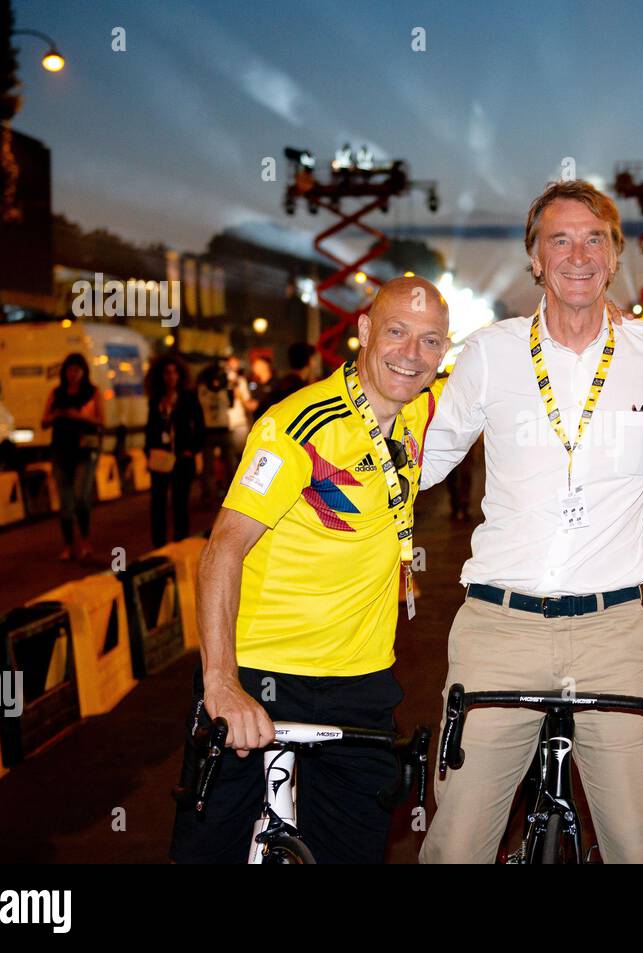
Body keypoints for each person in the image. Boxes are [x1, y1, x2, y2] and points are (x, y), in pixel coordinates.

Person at [417, 180, 643, 864]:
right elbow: (425, 462)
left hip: (614, 632)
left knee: (641, 850)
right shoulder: (489, 353)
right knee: (455, 846)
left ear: (614, 257)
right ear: (534, 258)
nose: (577, 254)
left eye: (594, 239)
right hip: (500, 626)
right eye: (559, 239)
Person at [169, 278, 449, 863]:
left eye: (430, 341)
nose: (411, 354)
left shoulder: (423, 405)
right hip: (260, 671)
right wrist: (221, 684)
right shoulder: (297, 425)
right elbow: (222, 548)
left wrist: (596, 311)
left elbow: (515, 348)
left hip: (361, 680)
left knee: (356, 850)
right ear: (365, 332)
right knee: (208, 850)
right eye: (396, 332)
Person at [41, 352, 102, 562]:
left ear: (83, 372)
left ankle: (85, 541)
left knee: (80, 497)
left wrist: (80, 416)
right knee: (65, 502)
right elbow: (44, 421)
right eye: (69, 369)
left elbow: (102, 421)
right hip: (61, 451)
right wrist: (57, 414)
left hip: (85, 451)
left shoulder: (92, 393)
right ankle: (68, 545)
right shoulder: (56, 393)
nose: (72, 374)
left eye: (77, 370)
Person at [146, 354, 205, 548]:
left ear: (180, 376)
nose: (170, 377)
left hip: (182, 457)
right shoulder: (155, 399)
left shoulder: (188, 398)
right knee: (157, 503)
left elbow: (200, 427)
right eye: (166, 373)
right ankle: (159, 546)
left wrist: (192, 450)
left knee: (180, 502)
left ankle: (181, 544)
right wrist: (149, 451)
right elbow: (150, 427)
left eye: (174, 373)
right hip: (160, 457)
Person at [196, 361, 234, 503]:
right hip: (214, 429)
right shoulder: (209, 388)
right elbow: (230, 403)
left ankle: (209, 494)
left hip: (215, 429)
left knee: (213, 466)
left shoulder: (202, 388)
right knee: (219, 465)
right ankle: (224, 495)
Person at [255, 343, 316, 418]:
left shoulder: (284, 383)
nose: (315, 363)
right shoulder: (299, 388)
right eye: (314, 359)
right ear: (309, 361)